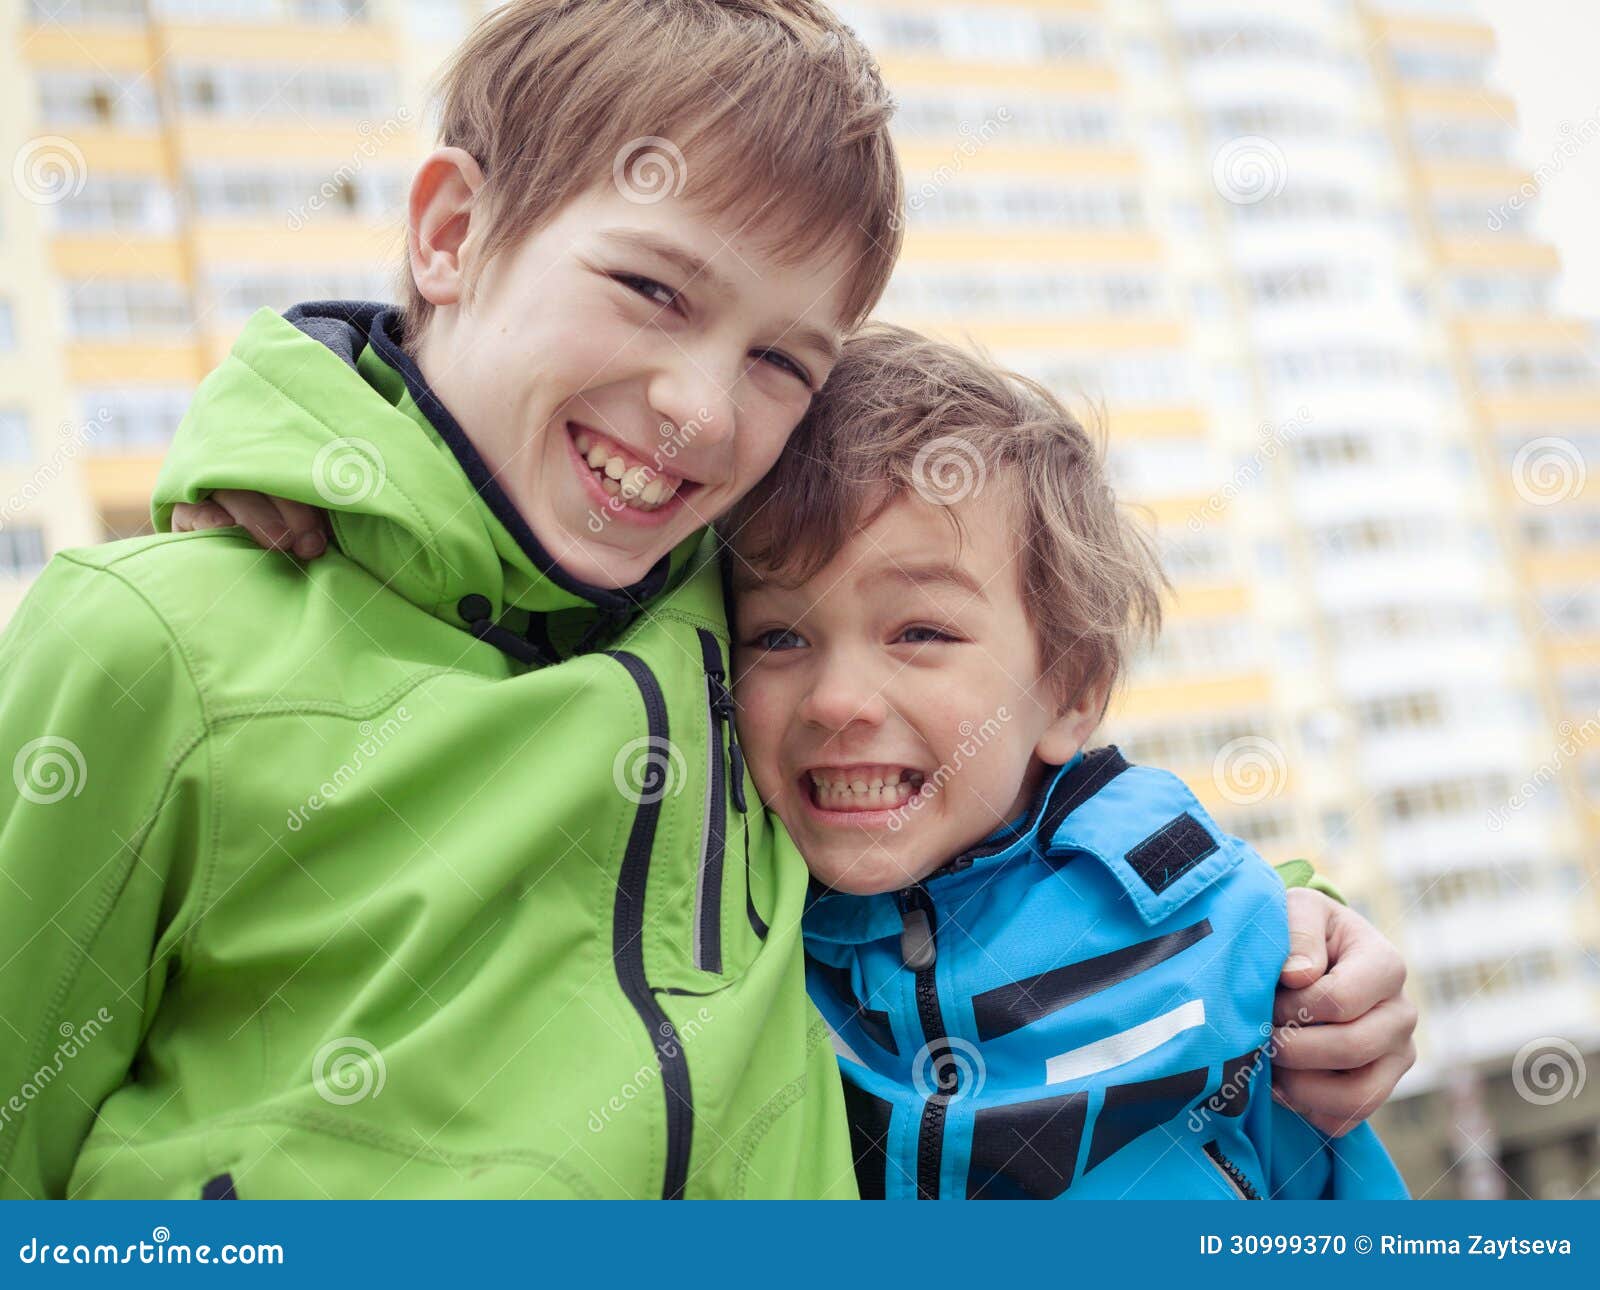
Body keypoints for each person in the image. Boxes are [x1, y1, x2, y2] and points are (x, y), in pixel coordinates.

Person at [9, 0, 1407, 1200]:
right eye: (650, 288)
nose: (694, 410)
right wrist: (299, 451)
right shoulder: (156, 645)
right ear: (450, 231)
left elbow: (992, 831)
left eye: (781, 361)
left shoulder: (726, 614)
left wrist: (1288, 932)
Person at [719, 324, 1411, 1197]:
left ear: (1070, 690)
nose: (835, 700)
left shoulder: (1230, 945)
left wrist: (1300, 937)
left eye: (920, 632)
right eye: (779, 636)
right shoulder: (734, 930)